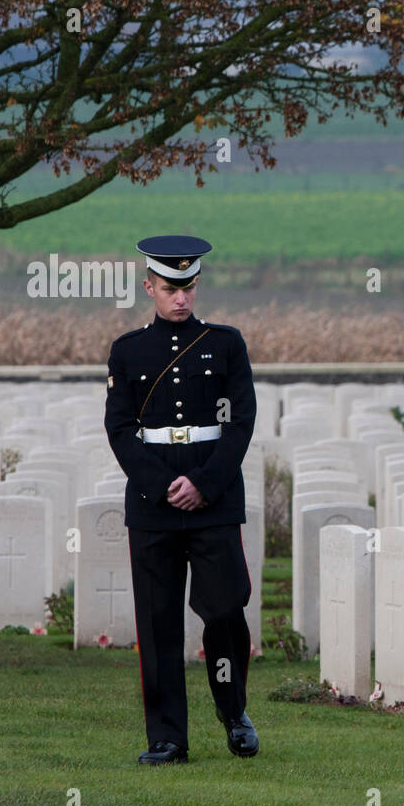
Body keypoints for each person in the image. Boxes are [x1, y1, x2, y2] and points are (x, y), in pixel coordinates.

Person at [103, 235, 260, 764]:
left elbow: (240, 422)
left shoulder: (227, 343)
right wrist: (158, 485)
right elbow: (121, 428)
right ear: (149, 286)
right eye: (170, 288)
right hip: (153, 502)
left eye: (188, 287)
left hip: (212, 496)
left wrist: (205, 484)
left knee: (224, 607)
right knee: (158, 621)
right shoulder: (127, 351)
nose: (181, 298)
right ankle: (167, 737)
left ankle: (233, 711)